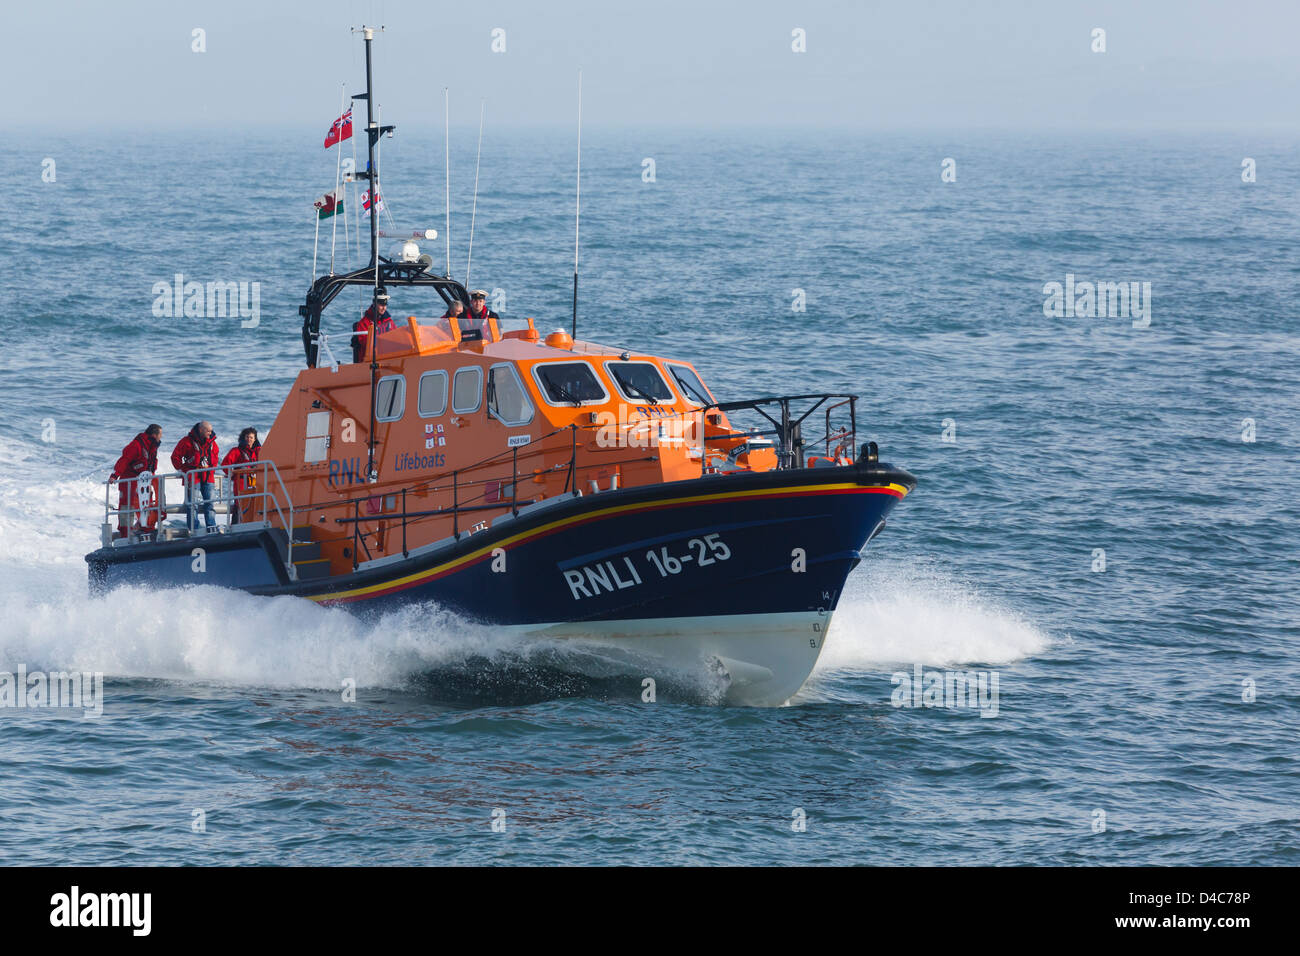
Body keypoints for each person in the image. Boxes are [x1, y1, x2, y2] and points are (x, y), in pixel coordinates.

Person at [110, 424, 163, 537]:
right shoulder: (136, 445)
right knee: (126, 506)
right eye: (160, 435)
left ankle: (146, 527)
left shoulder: (152, 447)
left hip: (144, 481)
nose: (161, 437)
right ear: (154, 435)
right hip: (129, 481)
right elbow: (124, 460)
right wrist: (115, 475)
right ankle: (125, 531)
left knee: (146, 503)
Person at [172, 421, 220, 532]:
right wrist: (183, 471)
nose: (210, 433)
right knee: (193, 504)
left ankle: (211, 527)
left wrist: (212, 467)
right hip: (193, 478)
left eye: (211, 431)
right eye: (208, 431)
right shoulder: (187, 442)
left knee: (210, 504)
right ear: (201, 430)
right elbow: (175, 457)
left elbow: (215, 455)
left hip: (208, 477)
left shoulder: (212, 443)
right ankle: (194, 529)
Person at [220, 427, 261, 524]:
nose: (249, 439)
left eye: (251, 437)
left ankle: (251, 523)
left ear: (255, 439)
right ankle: (235, 525)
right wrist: (233, 474)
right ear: (243, 438)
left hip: (255, 481)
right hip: (241, 482)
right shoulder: (236, 451)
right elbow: (225, 465)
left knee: (255, 503)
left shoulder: (258, 451)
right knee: (239, 504)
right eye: (247, 437)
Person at [352, 287, 396, 363]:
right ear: (374, 304)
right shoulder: (363, 323)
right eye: (381, 305)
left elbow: (396, 336)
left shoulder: (389, 322)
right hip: (368, 362)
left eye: (385, 305)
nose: (384, 308)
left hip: (387, 359)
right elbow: (366, 344)